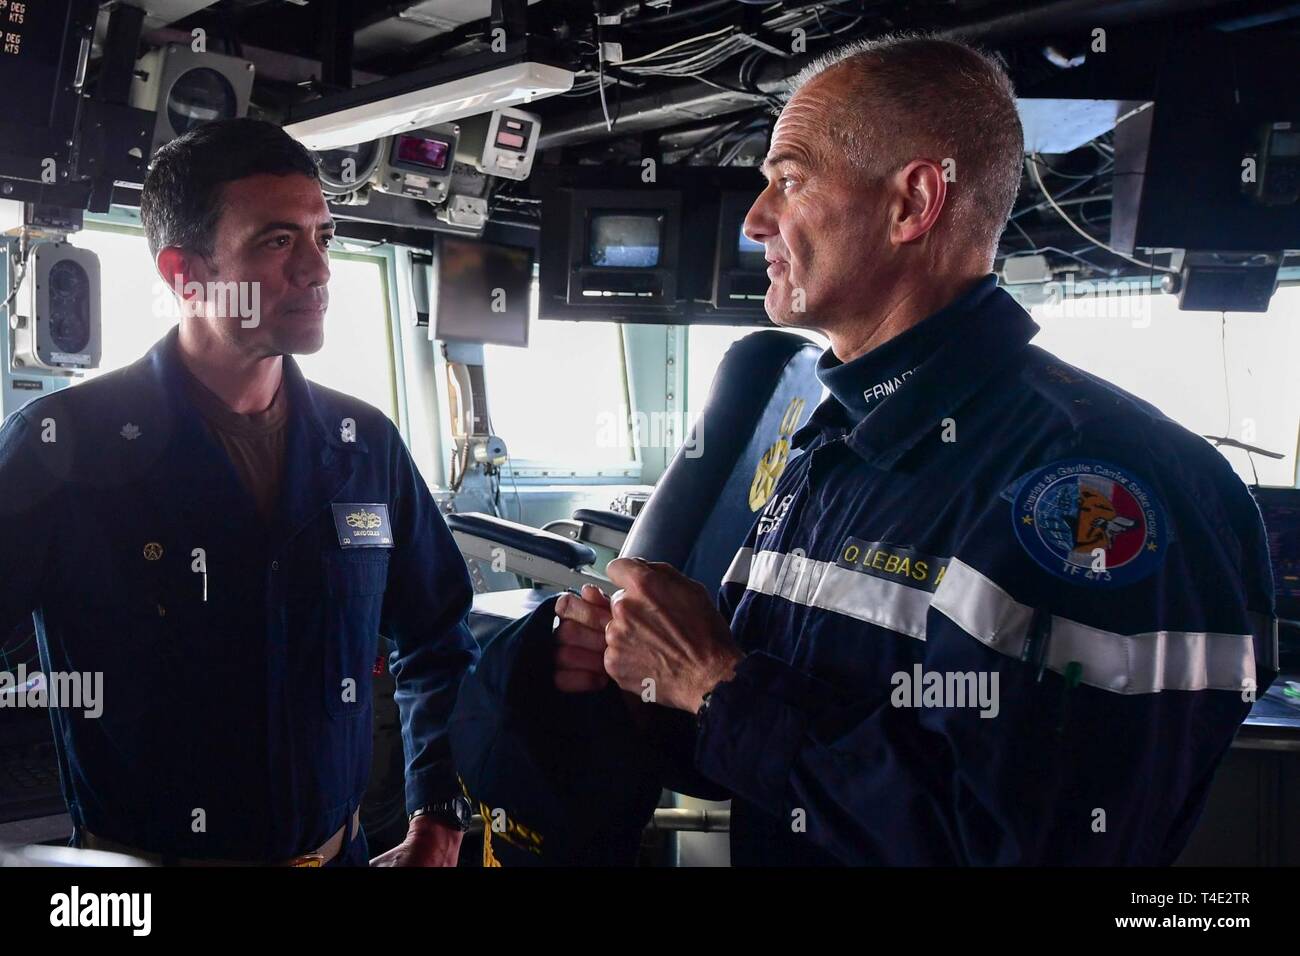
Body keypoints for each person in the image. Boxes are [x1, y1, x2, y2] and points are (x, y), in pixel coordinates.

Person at [552, 34, 1278, 865]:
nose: (755, 223)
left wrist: (715, 685)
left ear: (913, 203)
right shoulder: (830, 443)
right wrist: (647, 680)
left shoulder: (1104, 481)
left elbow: (1015, 845)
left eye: (788, 181)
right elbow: (770, 757)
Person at [0, 118, 478, 866]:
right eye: (277, 242)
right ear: (183, 271)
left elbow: (438, 636)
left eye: (322, 236)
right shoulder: (62, 444)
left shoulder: (366, 444)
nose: (318, 269)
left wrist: (439, 811)